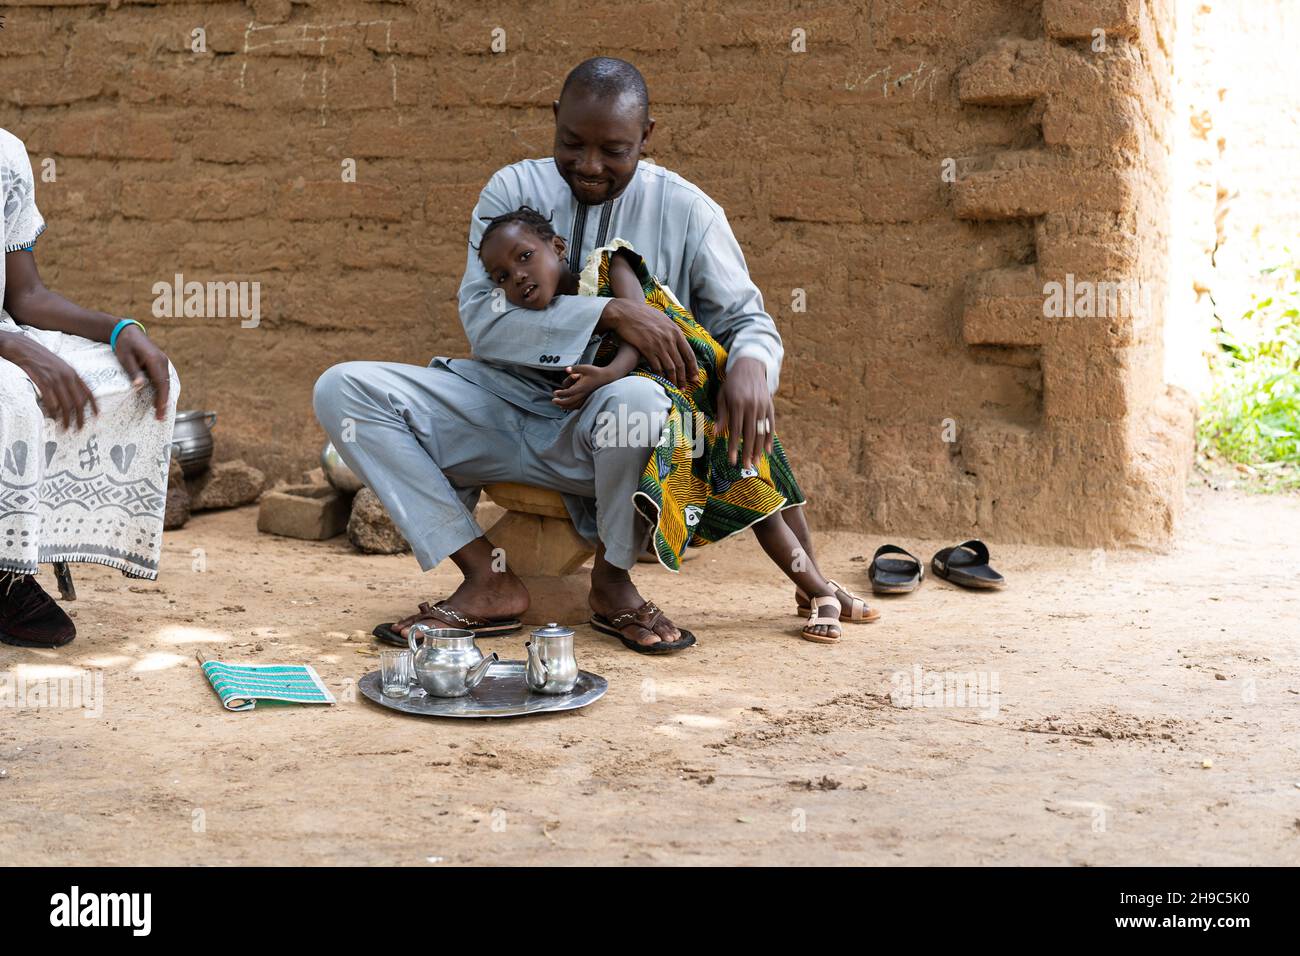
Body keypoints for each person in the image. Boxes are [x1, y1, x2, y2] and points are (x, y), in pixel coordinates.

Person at [313, 57, 871, 652]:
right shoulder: (511, 192)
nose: (590, 166)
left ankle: (613, 584)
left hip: (604, 434)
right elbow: (483, 320)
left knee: (638, 399)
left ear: (648, 136)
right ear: (554, 120)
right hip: (498, 408)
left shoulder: (688, 212)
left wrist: (752, 365)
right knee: (343, 388)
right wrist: (611, 313)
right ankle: (486, 578)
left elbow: (746, 320)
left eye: (615, 150)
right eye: (572, 143)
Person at [476, 206, 878, 642]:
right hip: (675, 395)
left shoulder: (611, 261)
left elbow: (643, 326)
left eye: (523, 256)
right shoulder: (559, 320)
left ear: (557, 247)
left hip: (700, 379)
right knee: (765, 484)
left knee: (754, 490)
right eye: (499, 277)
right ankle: (815, 587)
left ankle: (821, 593)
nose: (515, 277)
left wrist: (609, 376)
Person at [0, 128, 180, 648]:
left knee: (132, 381)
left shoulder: (7, 152)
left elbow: (25, 292)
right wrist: (12, 347)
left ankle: (11, 554)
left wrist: (119, 329)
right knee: (8, 399)